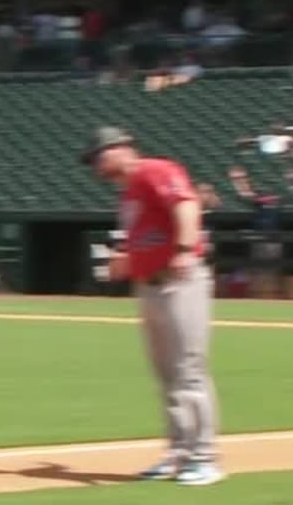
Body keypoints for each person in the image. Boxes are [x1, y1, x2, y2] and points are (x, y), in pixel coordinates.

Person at [80, 127, 223, 486]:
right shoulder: (129, 194)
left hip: (179, 282)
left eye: (100, 157)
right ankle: (178, 454)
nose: (98, 168)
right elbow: (142, 236)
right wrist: (124, 256)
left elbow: (186, 205)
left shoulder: (154, 170)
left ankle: (205, 457)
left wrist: (183, 250)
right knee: (167, 376)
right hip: (150, 287)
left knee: (189, 370)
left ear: (121, 148)